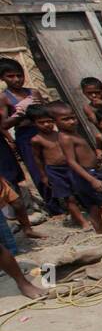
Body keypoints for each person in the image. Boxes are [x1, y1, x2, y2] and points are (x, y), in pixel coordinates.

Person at [54, 103, 102, 234]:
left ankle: (101, 234)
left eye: (73, 117)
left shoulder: (73, 133)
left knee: (94, 207)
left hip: (88, 174)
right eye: (65, 119)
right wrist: (92, 180)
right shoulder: (66, 137)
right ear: (55, 121)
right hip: (88, 175)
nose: (72, 121)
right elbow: (71, 162)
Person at [0, 57, 61, 215]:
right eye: (11, 76)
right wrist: (20, 113)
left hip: (44, 132)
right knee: (38, 171)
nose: (17, 79)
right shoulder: (4, 98)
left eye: (19, 75)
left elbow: (46, 113)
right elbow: (4, 124)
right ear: (2, 78)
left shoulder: (33, 92)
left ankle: (72, 201)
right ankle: (54, 207)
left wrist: (39, 108)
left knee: (58, 165)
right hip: (25, 136)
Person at [29, 104, 92, 230]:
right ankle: (82, 222)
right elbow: (38, 159)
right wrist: (43, 175)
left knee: (81, 190)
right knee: (69, 198)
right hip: (54, 171)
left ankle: (88, 212)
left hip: (70, 167)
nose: (47, 125)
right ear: (34, 123)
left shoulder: (61, 135)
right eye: (42, 122)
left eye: (49, 121)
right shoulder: (37, 140)